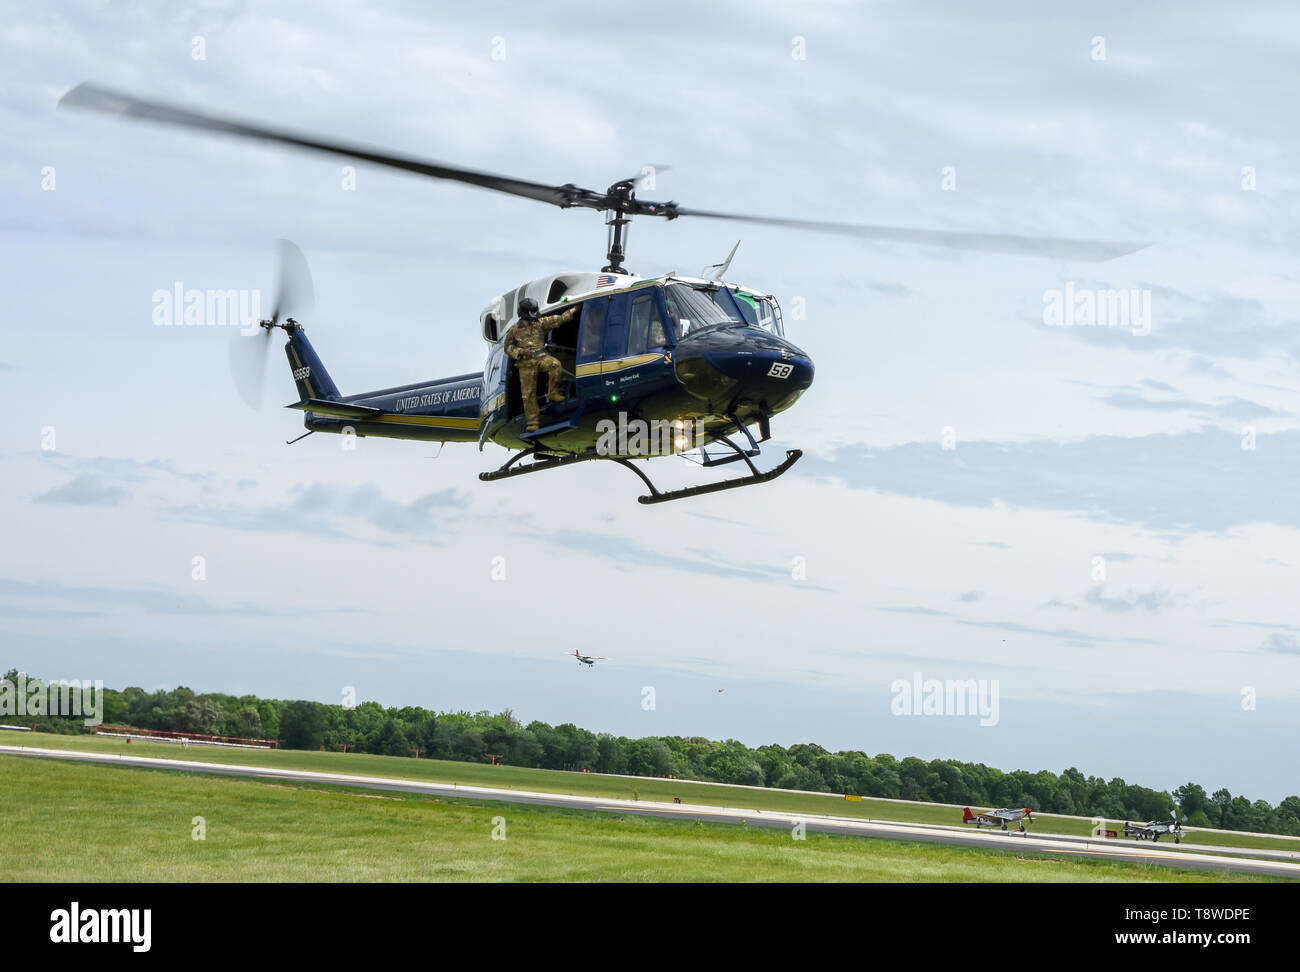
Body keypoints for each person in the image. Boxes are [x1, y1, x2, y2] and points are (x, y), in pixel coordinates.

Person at [505, 297, 577, 432]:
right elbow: (508, 348)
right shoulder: (514, 330)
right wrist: (520, 351)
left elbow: (558, 319)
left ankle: (552, 392)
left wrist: (574, 310)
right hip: (525, 363)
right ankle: (532, 423)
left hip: (541, 357)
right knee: (528, 394)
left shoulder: (541, 323)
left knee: (555, 365)